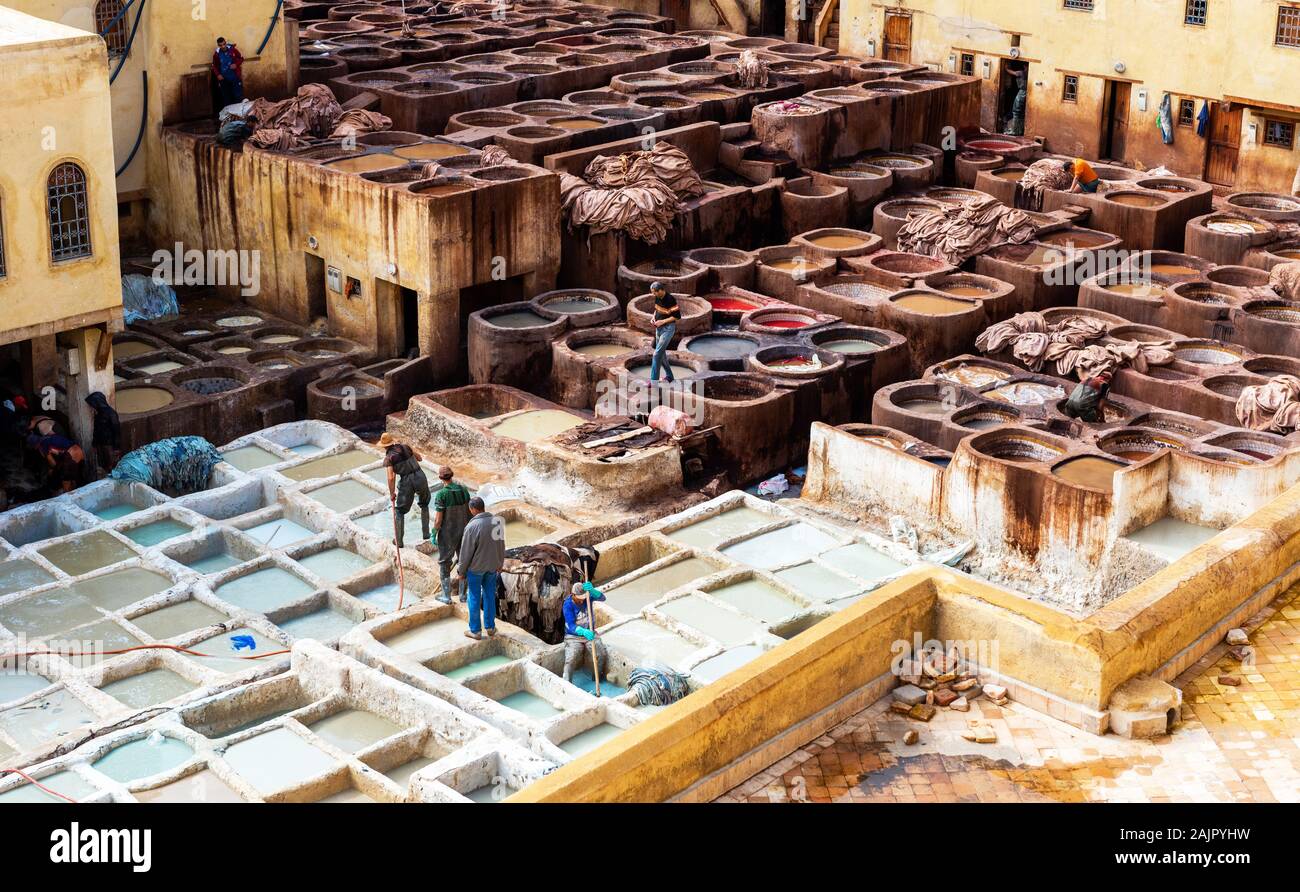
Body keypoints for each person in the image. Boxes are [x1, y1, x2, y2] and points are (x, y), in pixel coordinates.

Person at [459, 496, 505, 640]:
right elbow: (501, 545)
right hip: (492, 566)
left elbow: (465, 552)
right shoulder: (497, 522)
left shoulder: (472, 527)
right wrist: (500, 563)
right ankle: (490, 627)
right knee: (489, 595)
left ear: (472, 509)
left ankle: (475, 630)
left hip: (476, 568)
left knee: (473, 597)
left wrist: (461, 571)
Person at [379, 433, 430, 549]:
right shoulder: (405, 447)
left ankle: (399, 541)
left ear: (384, 446)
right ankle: (426, 533)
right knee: (424, 504)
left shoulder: (389, 458)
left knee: (400, 511)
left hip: (406, 481)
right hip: (420, 476)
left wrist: (392, 493)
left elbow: (391, 478)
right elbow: (420, 458)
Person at [432, 465, 471, 604]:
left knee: (444, 564)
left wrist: (433, 532)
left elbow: (438, 519)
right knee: (464, 562)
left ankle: (446, 596)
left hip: (448, 534)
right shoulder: (464, 490)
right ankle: (463, 596)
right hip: (465, 531)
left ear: (440, 478)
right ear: (452, 475)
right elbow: (470, 511)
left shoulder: (441, 494)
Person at [562, 582, 607, 685]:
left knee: (600, 653)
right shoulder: (567, 604)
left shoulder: (587, 597)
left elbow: (603, 598)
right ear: (573, 595)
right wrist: (582, 631)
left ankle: (597, 679)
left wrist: (592, 590)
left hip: (590, 631)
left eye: (583, 597)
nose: (582, 600)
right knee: (571, 658)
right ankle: (566, 684)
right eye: (579, 598)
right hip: (573, 636)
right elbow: (571, 625)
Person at [648, 281, 680, 383]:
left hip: (668, 329)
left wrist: (662, 321)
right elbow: (656, 309)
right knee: (661, 354)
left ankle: (654, 382)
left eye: (655, 292)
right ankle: (669, 376)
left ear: (661, 290)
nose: (653, 294)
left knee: (656, 354)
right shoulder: (657, 297)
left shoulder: (670, 299)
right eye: (653, 292)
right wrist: (653, 318)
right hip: (659, 328)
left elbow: (677, 317)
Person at [85, 392, 121, 477]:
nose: (92, 406)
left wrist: (117, 447)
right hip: (100, 444)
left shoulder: (111, 413)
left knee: (112, 464)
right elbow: (96, 430)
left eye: (93, 404)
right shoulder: (98, 415)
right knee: (103, 464)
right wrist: (94, 444)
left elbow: (116, 430)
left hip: (109, 445)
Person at [211, 37, 245, 107]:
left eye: (224, 44)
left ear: (225, 43)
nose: (223, 46)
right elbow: (214, 65)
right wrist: (218, 75)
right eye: (220, 45)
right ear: (218, 45)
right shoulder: (217, 54)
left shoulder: (233, 50)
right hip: (224, 79)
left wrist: (236, 64)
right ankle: (229, 116)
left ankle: (239, 115)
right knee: (227, 98)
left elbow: (241, 58)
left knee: (237, 96)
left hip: (235, 77)